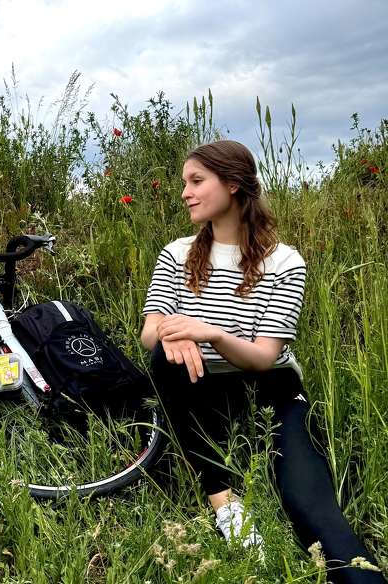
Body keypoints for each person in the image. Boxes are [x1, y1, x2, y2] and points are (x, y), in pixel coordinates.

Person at [139, 140, 385, 583]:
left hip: (272, 391)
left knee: (312, 508)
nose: (185, 193)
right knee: (166, 354)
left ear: (233, 184)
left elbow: (264, 356)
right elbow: (149, 329)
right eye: (184, 183)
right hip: (201, 391)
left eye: (196, 181)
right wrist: (174, 335)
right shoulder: (176, 253)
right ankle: (226, 505)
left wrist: (209, 332)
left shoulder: (284, 261)